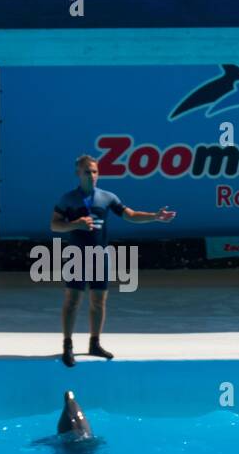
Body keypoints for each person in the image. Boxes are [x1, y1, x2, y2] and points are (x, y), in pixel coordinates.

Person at [50, 154, 176, 367]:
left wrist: (155, 216)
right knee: (72, 301)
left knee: (99, 301)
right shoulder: (68, 199)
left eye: (95, 171)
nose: (92, 175)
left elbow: (130, 215)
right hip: (76, 255)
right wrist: (75, 224)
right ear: (78, 174)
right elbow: (54, 225)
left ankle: (94, 343)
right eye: (87, 171)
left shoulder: (107, 197)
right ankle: (68, 345)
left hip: (101, 255)